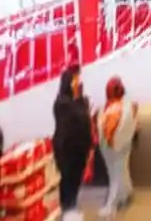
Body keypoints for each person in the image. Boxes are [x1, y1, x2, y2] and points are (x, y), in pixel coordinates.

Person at [53, 66, 93, 219]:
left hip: (76, 149)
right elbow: (81, 119)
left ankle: (70, 208)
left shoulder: (71, 102)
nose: (77, 84)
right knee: (69, 181)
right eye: (75, 81)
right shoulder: (63, 104)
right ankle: (69, 210)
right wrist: (80, 100)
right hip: (68, 150)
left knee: (74, 181)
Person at [98, 76, 138, 217]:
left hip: (114, 147)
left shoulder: (113, 109)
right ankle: (127, 193)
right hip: (125, 144)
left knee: (114, 176)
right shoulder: (128, 104)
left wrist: (108, 141)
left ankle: (111, 205)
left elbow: (108, 131)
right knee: (122, 170)